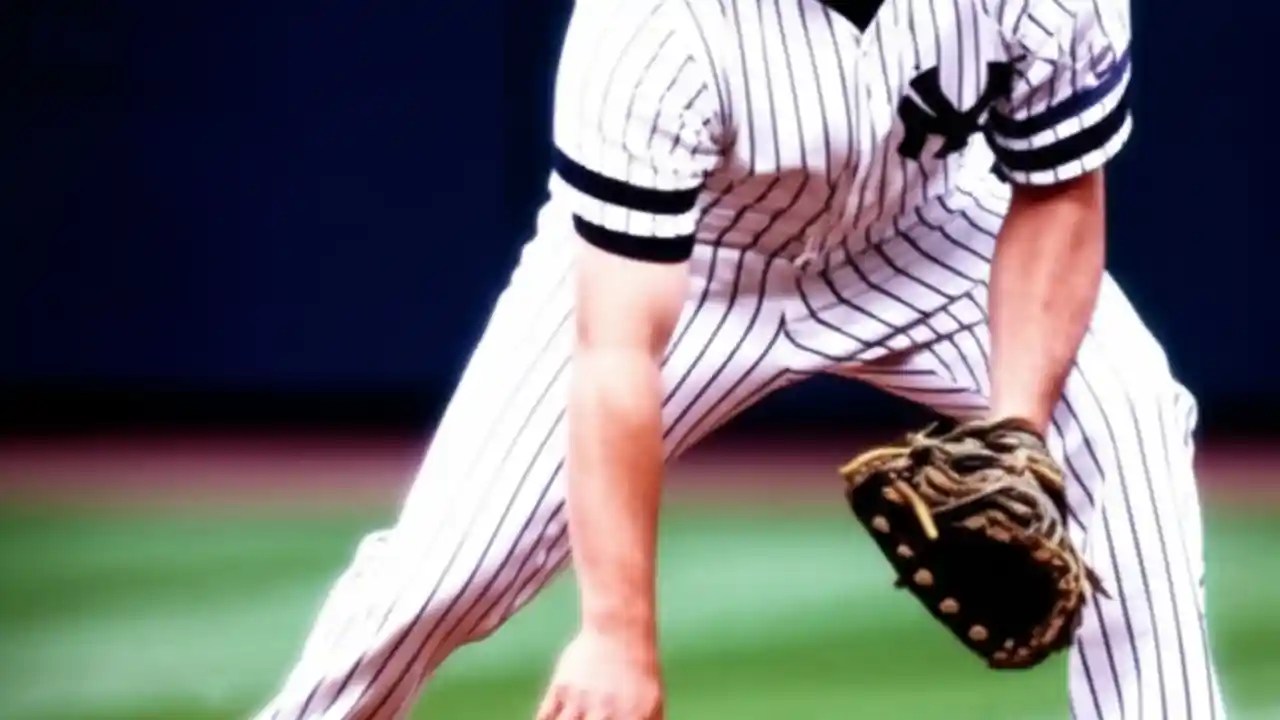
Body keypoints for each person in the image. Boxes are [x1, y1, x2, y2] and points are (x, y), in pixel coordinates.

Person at [256, 0, 1223, 717]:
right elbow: (616, 353)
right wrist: (617, 634)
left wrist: (1015, 432)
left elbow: (1057, 192)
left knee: (1126, 417)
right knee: (445, 572)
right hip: (696, 252)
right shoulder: (651, 22)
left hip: (930, 230)